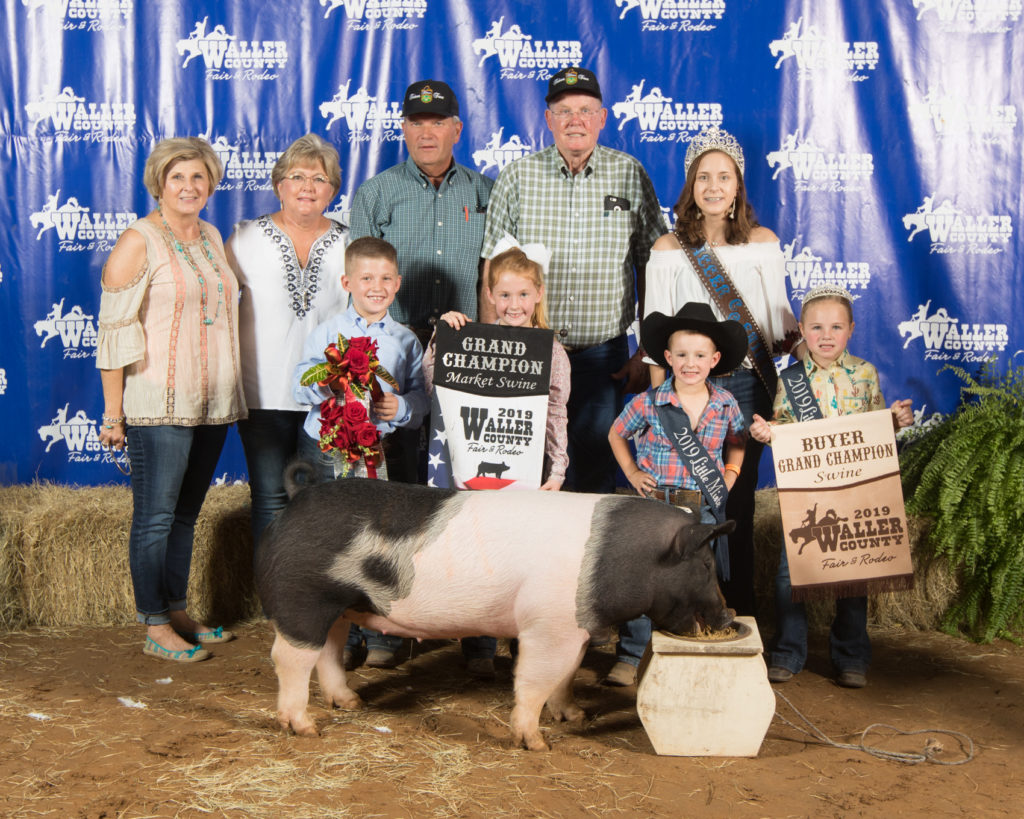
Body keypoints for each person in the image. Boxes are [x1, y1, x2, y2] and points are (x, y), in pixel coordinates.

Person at [481, 66, 667, 494]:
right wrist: (493, 343)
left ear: (603, 117)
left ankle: (588, 561)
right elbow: (490, 267)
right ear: (547, 119)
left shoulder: (630, 174)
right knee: (528, 468)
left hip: (604, 356)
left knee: (597, 465)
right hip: (528, 351)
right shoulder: (518, 177)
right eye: (563, 111)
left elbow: (652, 264)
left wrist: (649, 351)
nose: (574, 120)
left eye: (585, 110)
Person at [96, 137, 244, 663]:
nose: (189, 186)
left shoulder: (209, 234)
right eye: (178, 177)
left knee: (186, 515)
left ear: (211, 184)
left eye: (198, 177)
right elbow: (113, 329)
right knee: (155, 517)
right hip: (156, 400)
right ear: (159, 183)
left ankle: (178, 610)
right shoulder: (139, 239)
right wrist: (113, 413)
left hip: (210, 401)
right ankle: (154, 623)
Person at [644, 124, 799, 616]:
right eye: (703, 177)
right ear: (691, 186)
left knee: (738, 502)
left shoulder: (763, 242)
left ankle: (739, 608)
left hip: (750, 391)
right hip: (688, 390)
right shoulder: (667, 250)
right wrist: (658, 407)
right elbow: (653, 345)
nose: (713, 186)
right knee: (684, 504)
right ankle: (684, 606)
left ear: (738, 187)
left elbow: (780, 325)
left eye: (724, 177)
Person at [749, 285, 914, 689]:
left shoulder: (865, 373)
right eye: (817, 327)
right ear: (802, 330)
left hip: (853, 492)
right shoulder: (791, 379)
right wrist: (767, 432)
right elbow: (784, 425)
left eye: (836, 327)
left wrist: (893, 421)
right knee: (791, 574)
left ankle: (851, 655)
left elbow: (875, 428)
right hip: (807, 492)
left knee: (855, 576)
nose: (826, 335)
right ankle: (788, 651)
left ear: (851, 330)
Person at [421, 244, 570, 677]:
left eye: (523, 294)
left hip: (529, 475)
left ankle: (527, 647)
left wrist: (558, 470)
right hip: (472, 474)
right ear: (489, 296)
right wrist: (441, 339)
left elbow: (557, 414)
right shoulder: (467, 338)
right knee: (478, 557)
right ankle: (479, 646)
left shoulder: (552, 352)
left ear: (539, 294)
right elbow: (435, 391)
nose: (514, 305)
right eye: (504, 295)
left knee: (526, 560)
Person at [292, 236, 429, 669]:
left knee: (381, 541)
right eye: (367, 277)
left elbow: (422, 400)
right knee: (333, 543)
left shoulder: (406, 341)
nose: (377, 286)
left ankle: (382, 633)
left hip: (381, 453)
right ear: (347, 281)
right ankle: (340, 636)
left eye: (386, 278)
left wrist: (401, 406)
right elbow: (298, 386)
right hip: (327, 448)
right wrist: (328, 386)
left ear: (398, 284)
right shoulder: (327, 332)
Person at [350, 79, 494, 481]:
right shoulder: (376, 192)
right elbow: (360, 285)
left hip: (463, 345)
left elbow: (495, 277)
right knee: (392, 461)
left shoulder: (486, 191)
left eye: (437, 122)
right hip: (393, 345)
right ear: (403, 128)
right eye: (416, 122)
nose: (426, 133)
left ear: (457, 129)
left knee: (460, 461)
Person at [604, 303, 748, 685]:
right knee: (643, 579)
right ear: (667, 358)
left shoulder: (726, 404)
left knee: (696, 580)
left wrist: (730, 474)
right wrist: (632, 471)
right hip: (655, 507)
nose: (690, 363)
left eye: (700, 355)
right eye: (681, 355)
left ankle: (692, 649)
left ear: (715, 360)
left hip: (702, 507)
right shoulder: (648, 402)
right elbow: (616, 433)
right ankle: (631, 656)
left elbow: (738, 443)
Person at [226, 134, 348, 551]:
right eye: (297, 176)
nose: (308, 186)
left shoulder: (350, 242)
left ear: (333, 189)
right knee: (271, 500)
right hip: (262, 393)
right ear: (280, 185)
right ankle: (274, 602)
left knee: (322, 503)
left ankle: (317, 603)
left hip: (327, 396)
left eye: (320, 178)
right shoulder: (244, 238)